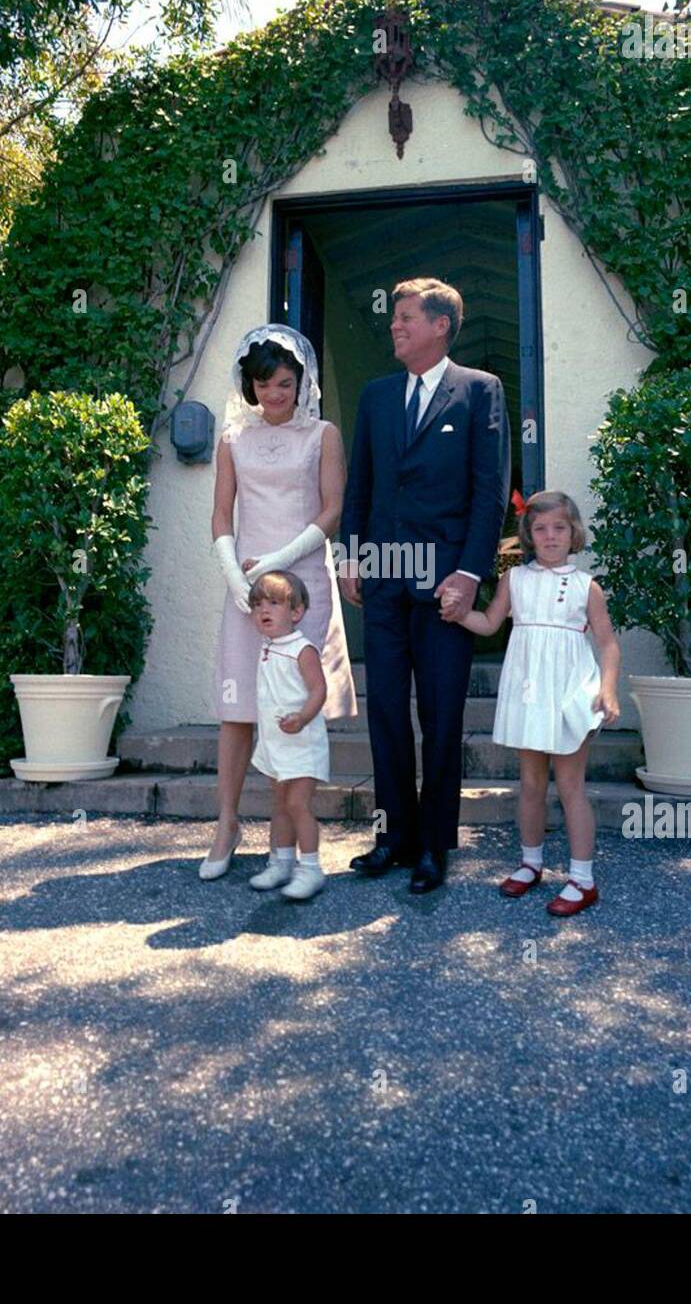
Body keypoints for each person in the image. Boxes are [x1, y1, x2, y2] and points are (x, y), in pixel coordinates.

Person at [338, 278, 510, 894]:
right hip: (382, 583)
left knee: (440, 717)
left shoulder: (479, 391)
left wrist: (469, 574)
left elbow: (489, 493)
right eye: (394, 319)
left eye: (406, 317)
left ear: (441, 325)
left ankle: (435, 846)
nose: (395, 326)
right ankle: (392, 837)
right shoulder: (377, 397)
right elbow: (361, 484)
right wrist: (350, 556)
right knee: (385, 712)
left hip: (445, 590)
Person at [202, 324, 356, 881]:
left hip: (303, 584)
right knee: (239, 706)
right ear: (250, 385)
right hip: (246, 590)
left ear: (302, 382)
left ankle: (292, 843)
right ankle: (225, 823)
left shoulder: (323, 435)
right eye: (265, 385)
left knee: (293, 707)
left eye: (286, 384)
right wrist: (233, 572)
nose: (275, 395)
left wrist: (275, 561)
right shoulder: (232, 440)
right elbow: (222, 515)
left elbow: (331, 511)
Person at [458, 490, 621, 916]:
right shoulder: (515, 579)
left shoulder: (588, 587)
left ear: (574, 533)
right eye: (540, 528)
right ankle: (531, 864)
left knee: (570, 786)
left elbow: (607, 645)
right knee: (530, 783)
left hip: (569, 690)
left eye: (559, 528)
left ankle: (583, 879)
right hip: (530, 691)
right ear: (528, 534)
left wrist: (608, 690)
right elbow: (490, 621)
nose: (550, 536)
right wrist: (459, 613)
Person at [244, 570, 330, 900]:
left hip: (302, 741)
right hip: (275, 742)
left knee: (297, 804)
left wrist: (303, 717)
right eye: (257, 604)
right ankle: (280, 862)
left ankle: (310, 868)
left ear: (296, 612)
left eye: (274, 603)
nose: (263, 610)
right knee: (279, 804)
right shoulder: (268, 647)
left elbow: (319, 690)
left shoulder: (302, 649)